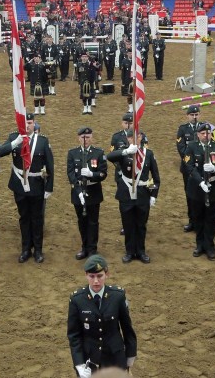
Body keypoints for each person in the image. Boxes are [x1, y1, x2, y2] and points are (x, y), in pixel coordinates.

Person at [67, 255, 137, 377]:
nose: (96, 281)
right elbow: (74, 335)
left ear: (107, 274)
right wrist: (79, 364)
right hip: (89, 359)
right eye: (91, 276)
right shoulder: (77, 299)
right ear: (85, 275)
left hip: (114, 355)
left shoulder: (118, 296)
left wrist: (129, 358)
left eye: (100, 276)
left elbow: (127, 329)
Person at [0, 114, 54, 263]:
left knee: (37, 218)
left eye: (29, 123)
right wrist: (13, 143)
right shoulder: (14, 137)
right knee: (24, 217)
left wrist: (49, 187)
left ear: (34, 123)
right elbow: (0, 152)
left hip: (37, 184)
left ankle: (38, 250)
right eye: (24, 123)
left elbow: (50, 166)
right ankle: (25, 249)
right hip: (19, 184)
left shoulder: (42, 141)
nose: (27, 126)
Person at [106, 130, 160, 263]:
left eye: (137, 136)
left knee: (141, 224)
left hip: (142, 193)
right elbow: (110, 156)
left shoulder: (148, 153)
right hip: (126, 193)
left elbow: (156, 177)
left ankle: (141, 251)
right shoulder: (124, 152)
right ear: (127, 139)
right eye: (130, 137)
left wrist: (154, 195)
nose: (134, 139)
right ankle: (129, 251)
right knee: (128, 224)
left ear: (141, 137)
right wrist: (126, 152)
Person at [181, 122, 215, 260]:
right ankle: (200, 244)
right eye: (203, 134)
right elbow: (189, 167)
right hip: (196, 187)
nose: (206, 136)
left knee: (211, 218)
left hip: (213, 185)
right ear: (198, 135)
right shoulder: (191, 147)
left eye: (208, 133)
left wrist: (214, 168)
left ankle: (209, 245)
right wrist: (200, 181)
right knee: (198, 217)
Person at [67, 127, 108, 260]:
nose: (85, 140)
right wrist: (78, 191)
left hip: (93, 190)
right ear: (78, 138)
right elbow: (71, 173)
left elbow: (103, 173)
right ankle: (84, 247)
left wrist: (92, 174)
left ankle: (92, 249)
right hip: (78, 191)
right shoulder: (73, 153)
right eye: (83, 137)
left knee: (93, 222)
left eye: (88, 137)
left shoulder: (98, 153)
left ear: (92, 137)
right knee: (82, 221)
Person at [175, 105, 203, 233]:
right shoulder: (182, 129)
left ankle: (201, 221)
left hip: (202, 167)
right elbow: (181, 148)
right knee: (190, 194)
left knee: (202, 194)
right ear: (188, 116)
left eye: (196, 115)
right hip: (187, 168)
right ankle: (192, 221)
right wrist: (190, 161)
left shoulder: (204, 128)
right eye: (192, 115)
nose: (195, 117)